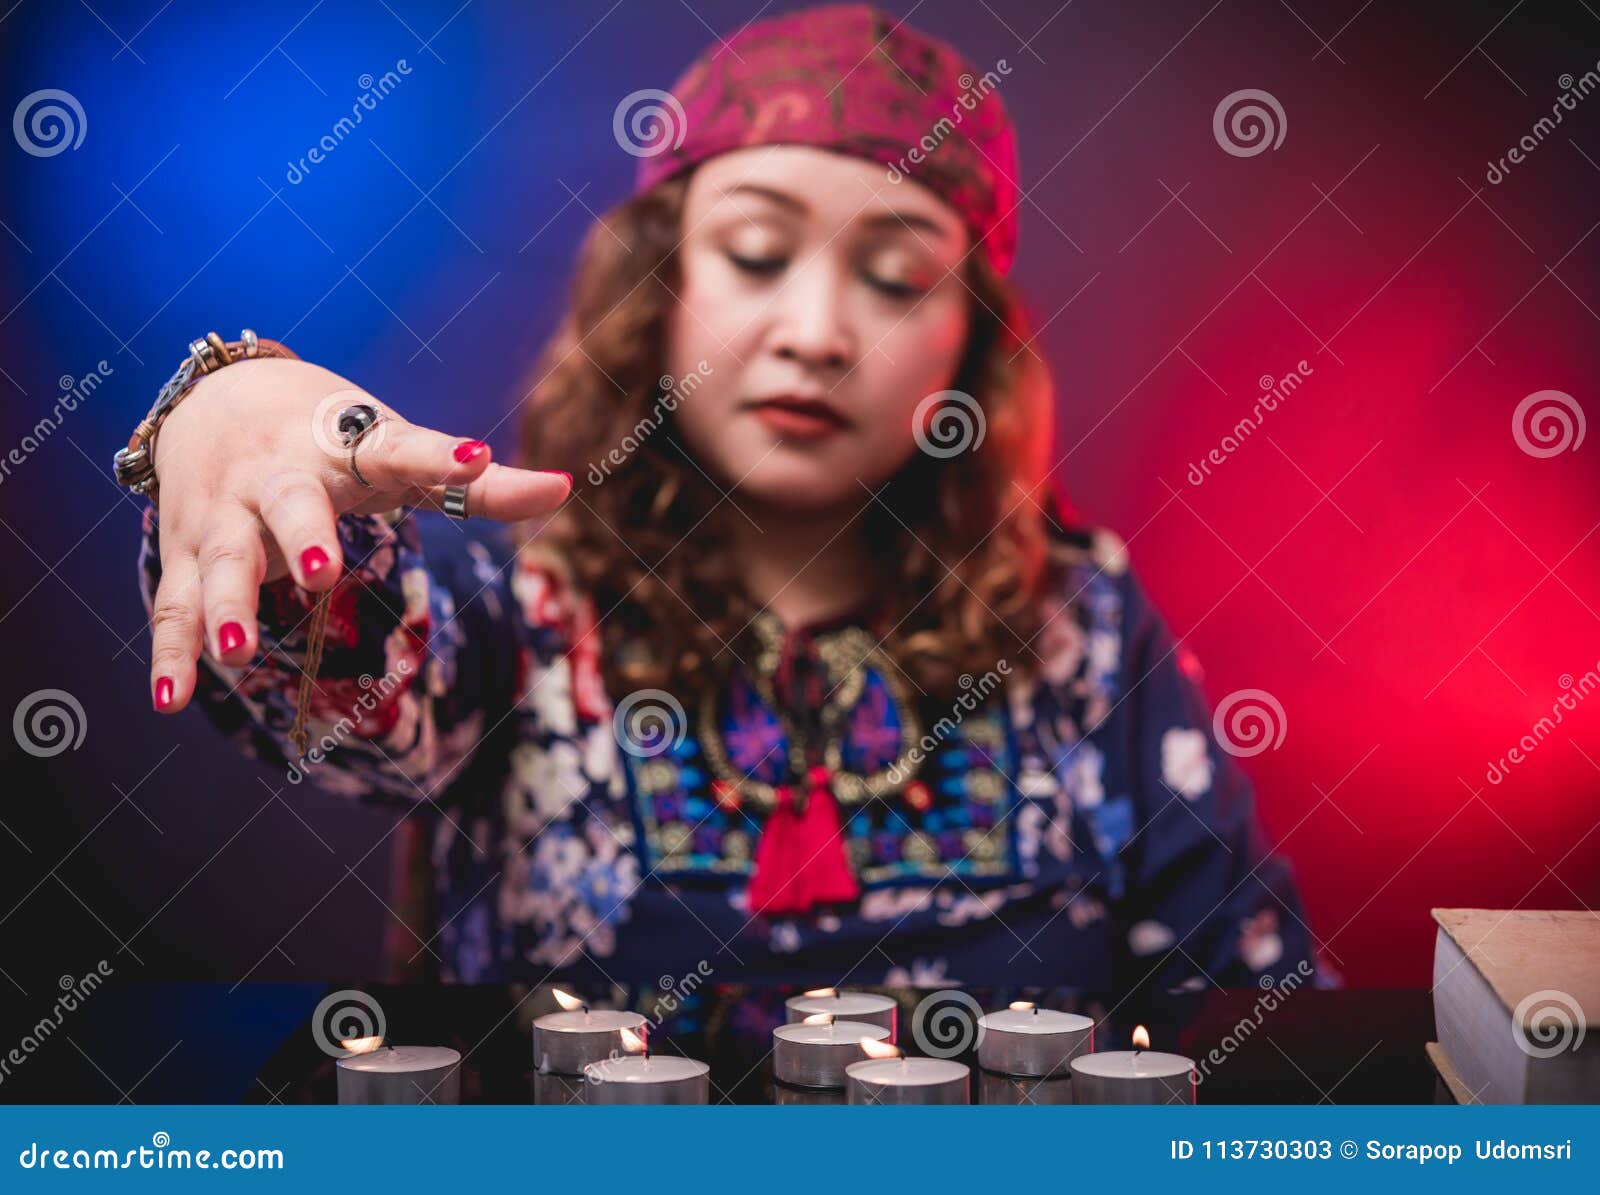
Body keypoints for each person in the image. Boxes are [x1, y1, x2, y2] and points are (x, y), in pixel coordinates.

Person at [131, 4, 1316, 993]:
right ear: (660, 291)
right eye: (755, 254)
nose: (815, 334)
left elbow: (1254, 1016)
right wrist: (233, 410)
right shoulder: (516, 608)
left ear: (972, 346)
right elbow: (345, 684)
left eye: (897, 276)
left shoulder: (1083, 628)